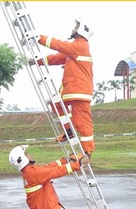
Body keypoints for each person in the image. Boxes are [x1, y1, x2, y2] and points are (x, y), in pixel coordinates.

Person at [31, 18, 95, 156]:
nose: (73, 28)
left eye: (76, 27)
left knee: (82, 122)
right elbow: (57, 57)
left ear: (81, 30)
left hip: (80, 92)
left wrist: (39, 38)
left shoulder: (80, 46)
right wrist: (37, 61)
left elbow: (59, 45)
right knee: (56, 104)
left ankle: (87, 153)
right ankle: (69, 130)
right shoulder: (75, 49)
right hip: (71, 90)